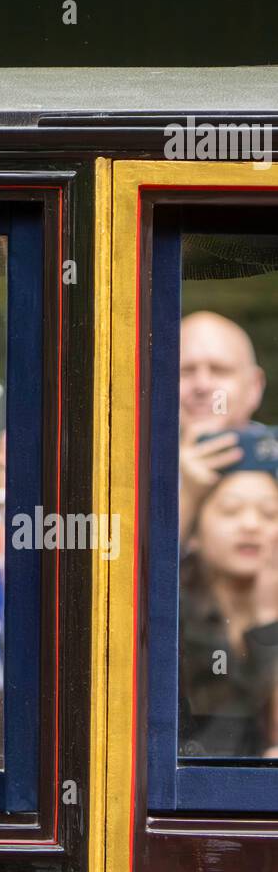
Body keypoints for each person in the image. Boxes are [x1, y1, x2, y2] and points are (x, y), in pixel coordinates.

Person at [179, 437, 278, 758]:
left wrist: (267, 620)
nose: (251, 525)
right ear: (195, 533)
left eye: (269, 513)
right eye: (230, 510)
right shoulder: (173, 612)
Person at [178, 311, 267, 545]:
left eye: (219, 370)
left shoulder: (272, 455)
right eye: (185, 371)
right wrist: (185, 495)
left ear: (254, 387)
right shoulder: (129, 466)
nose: (202, 385)